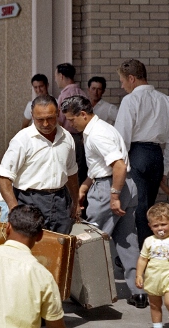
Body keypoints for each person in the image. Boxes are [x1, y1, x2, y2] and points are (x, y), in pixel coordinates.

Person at [61, 95, 146, 307]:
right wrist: (84, 186)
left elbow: (118, 165)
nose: (70, 124)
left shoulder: (97, 134)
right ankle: (139, 291)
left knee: (89, 240)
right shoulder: (105, 128)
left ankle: (89, 292)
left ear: (83, 114)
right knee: (127, 240)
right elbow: (102, 166)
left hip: (110, 188)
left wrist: (114, 195)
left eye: (72, 120)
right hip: (123, 185)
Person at [115, 59, 169, 242]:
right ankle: (150, 251)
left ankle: (142, 255)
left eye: (122, 81)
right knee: (148, 206)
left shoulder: (130, 100)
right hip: (156, 157)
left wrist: (119, 166)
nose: (122, 86)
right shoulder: (166, 100)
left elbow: (122, 138)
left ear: (131, 78)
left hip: (136, 155)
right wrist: (165, 168)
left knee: (137, 209)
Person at [0, 95, 80, 234]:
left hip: (60, 202)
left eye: (50, 118)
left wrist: (75, 201)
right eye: (40, 120)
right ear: (32, 115)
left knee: (60, 247)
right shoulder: (22, 140)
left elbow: (71, 172)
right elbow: (3, 176)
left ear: (58, 113)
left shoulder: (67, 138)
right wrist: (14, 210)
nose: (46, 124)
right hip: (29, 201)